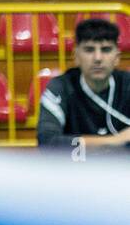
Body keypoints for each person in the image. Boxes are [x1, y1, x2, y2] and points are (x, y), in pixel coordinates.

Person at [38, 18, 130, 153]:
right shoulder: (60, 87)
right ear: (76, 56)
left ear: (117, 57)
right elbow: (47, 142)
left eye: (106, 49)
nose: (98, 58)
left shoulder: (127, 84)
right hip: (75, 171)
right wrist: (116, 141)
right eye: (89, 50)